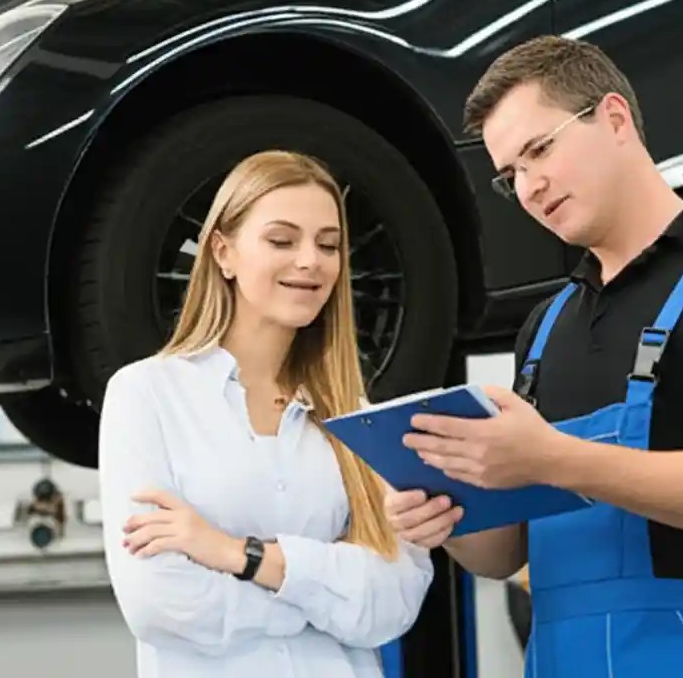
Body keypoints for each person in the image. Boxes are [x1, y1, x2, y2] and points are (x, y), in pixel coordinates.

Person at [386, 36, 683, 677]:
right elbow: (504, 554)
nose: (530, 186)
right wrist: (442, 512)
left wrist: (553, 456)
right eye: (510, 174)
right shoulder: (545, 331)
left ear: (615, 118)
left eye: (540, 150)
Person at [98, 150, 434, 678]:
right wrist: (324, 597)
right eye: (281, 240)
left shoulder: (360, 419)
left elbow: (393, 603)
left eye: (328, 245)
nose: (310, 261)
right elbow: (160, 604)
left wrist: (237, 555)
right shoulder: (146, 396)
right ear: (223, 252)